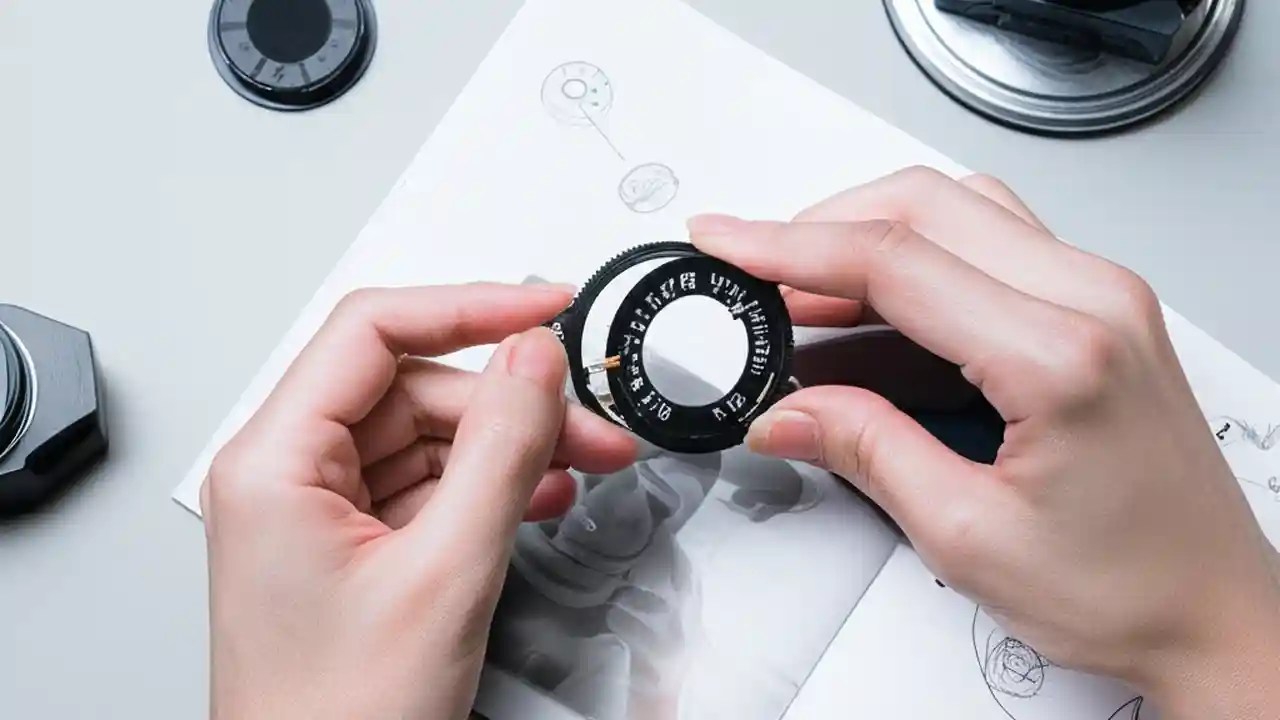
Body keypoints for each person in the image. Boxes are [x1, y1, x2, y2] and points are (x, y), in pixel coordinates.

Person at [199, 168, 1280, 720]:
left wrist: (1217, 636)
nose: (617, 513)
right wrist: (1223, 633)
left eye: (654, 508)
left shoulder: (641, 649)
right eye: (638, 500)